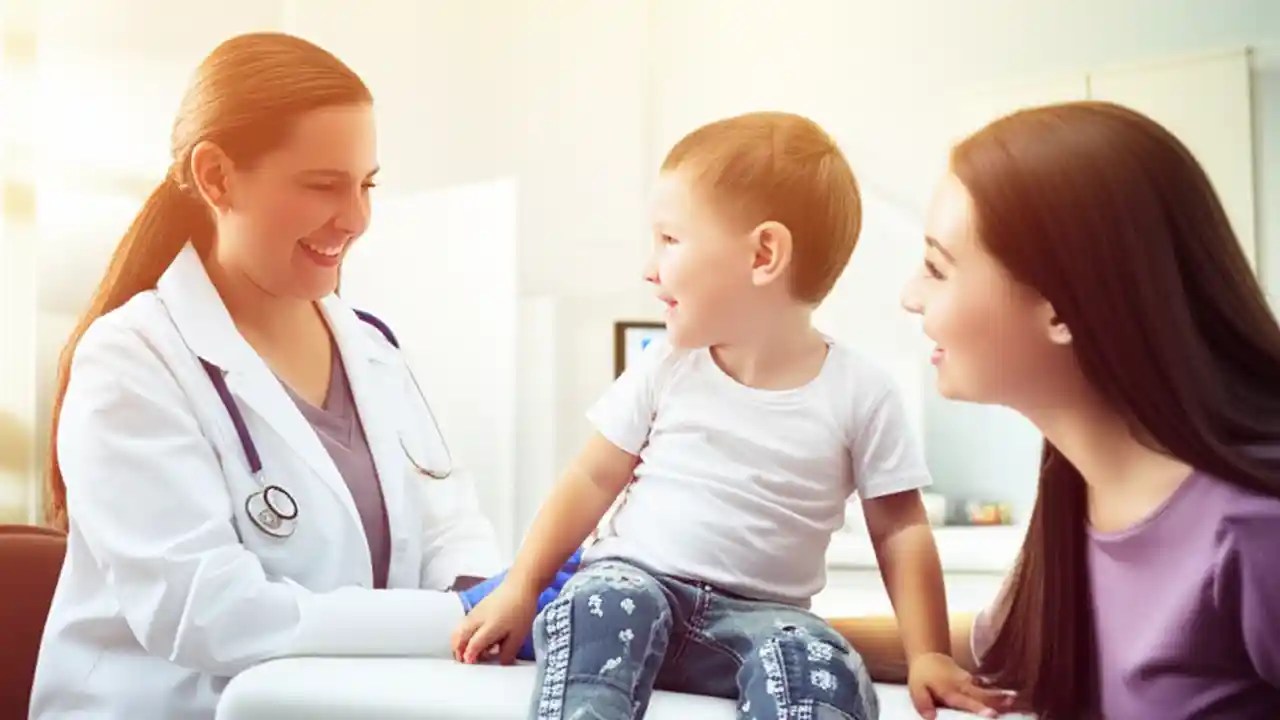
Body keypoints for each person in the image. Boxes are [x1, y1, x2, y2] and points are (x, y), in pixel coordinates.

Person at [29, 32, 576, 719]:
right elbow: (207, 615)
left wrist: (502, 595)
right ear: (217, 177)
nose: (356, 218)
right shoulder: (132, 360)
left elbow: (446, 528)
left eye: (367, 184)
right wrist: (455, 616)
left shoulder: (372, 348)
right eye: (323, 186)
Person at [453, 112, 1012, 720]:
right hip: (640, 587)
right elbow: (590, 479)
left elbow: (901, 532)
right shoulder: (665, 366)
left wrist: (927, 652)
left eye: (669, 239)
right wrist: (521, 587)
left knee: (825, 661)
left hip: (765, 621)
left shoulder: (861, 392)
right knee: (601, 604)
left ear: (764, 253)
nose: (648, 266)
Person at [843, 101, 1280, 719]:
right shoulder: (1079, 486)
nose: (911, 297)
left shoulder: (1257, 527)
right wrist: (735, 634)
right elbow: (1000, 647)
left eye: (938, 269)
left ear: (1060, 309)